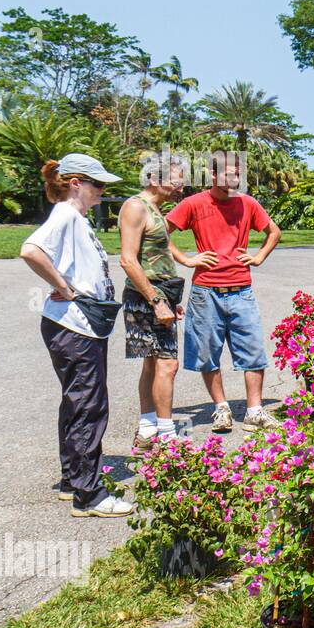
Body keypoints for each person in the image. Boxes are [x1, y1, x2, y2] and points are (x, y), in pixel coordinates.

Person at [19, 154, 135, 518]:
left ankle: (73, 479)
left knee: (77, 401)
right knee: (89, 404)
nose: (102, 190)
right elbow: (30, 250)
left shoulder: (76, 218)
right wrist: (62, 287)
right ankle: (90, 495)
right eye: (97, 184)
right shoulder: (67, 214)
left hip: (74, 326)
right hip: (74, 326)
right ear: (75, 183)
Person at [165, 154, 281, 432]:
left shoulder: (248, 203)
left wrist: (258, 257)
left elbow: (273, 232)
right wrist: (187, 260)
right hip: (206, 291)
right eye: (229, 175)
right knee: (207, 354)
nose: (235, 180)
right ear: (214, 176)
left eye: (238, 175)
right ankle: (221, 408)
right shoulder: (194, 203)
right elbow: (159, 232)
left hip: (241, 289)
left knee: (253, 351)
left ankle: (254, 411)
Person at [119, 152, 216, 451]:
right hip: (146, 295)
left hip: (159, 293)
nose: (181, 187)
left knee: (152, 363)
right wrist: (156, 300)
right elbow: (127, 260)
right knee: (167, 364)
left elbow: (162, 241)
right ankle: (167, 435)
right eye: (176, 181)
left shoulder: (154, 209)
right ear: (154, 179)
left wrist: (185, 261)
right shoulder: (136, 207)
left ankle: (148, 430)